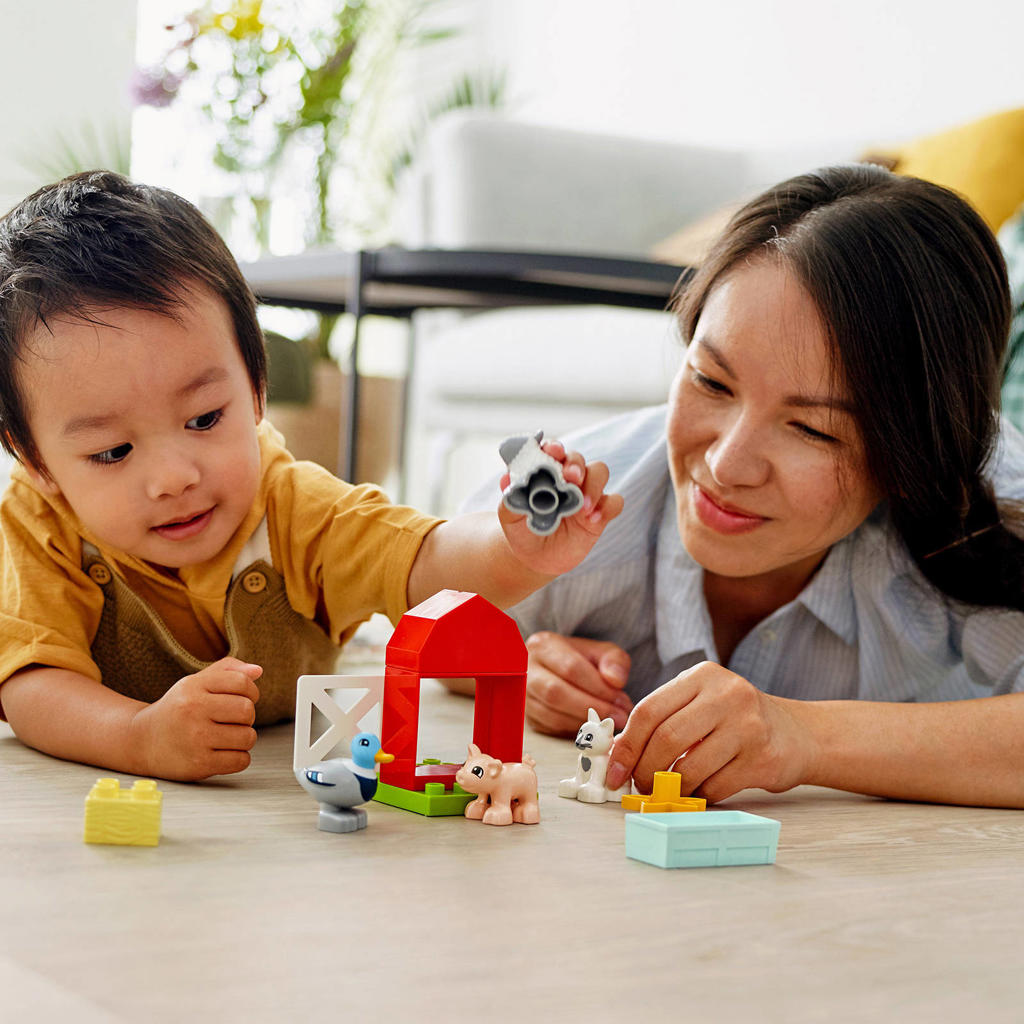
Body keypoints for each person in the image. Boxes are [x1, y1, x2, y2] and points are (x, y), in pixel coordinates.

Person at [0, 171, 622, 782]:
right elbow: (33, 684)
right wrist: (138, 738)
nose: (173, 477)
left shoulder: (291, 503)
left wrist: (515, 547)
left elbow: (422, 564)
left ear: (258, 390)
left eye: (205, 417)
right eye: (113, 452)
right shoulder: (39, 522)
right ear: (36, 462)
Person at [468, 163, 1024, 809]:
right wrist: (512, 672)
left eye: (812, 429)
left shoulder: (985, 504)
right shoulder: (582, 496)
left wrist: (804, 738)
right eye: (711, 381)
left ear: (912, 456)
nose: (729, 465)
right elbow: (418, 619)